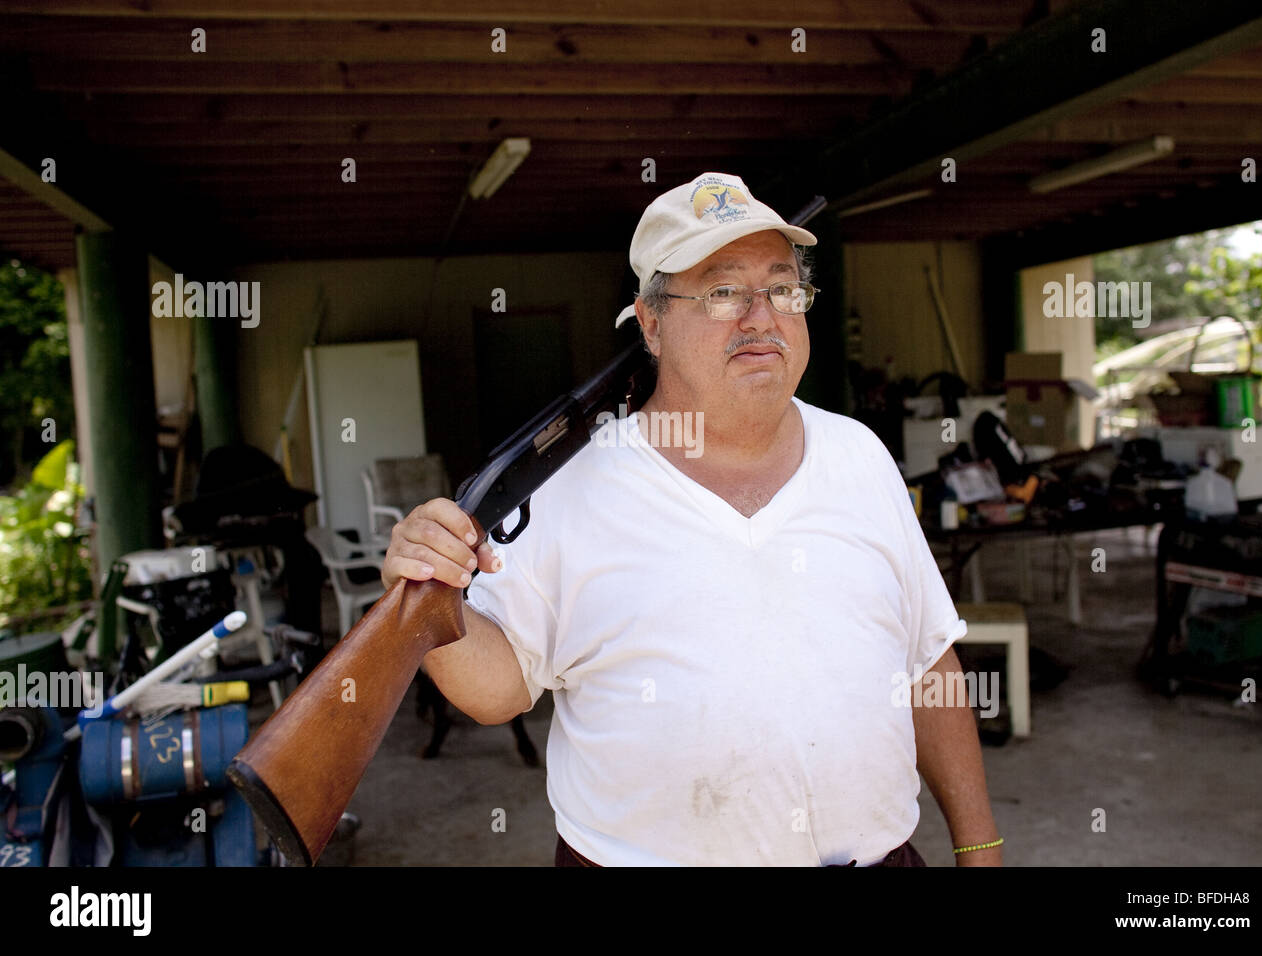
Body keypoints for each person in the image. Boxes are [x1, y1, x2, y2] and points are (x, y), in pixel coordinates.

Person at [381, 172, 1002, 867]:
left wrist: (980, 846)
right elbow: (497, 692)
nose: (761, 315)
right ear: (649, 323)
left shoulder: (860, 456)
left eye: (782, 288)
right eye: (722, 291)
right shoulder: (569, 485)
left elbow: (926, 663)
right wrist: (427, 596)